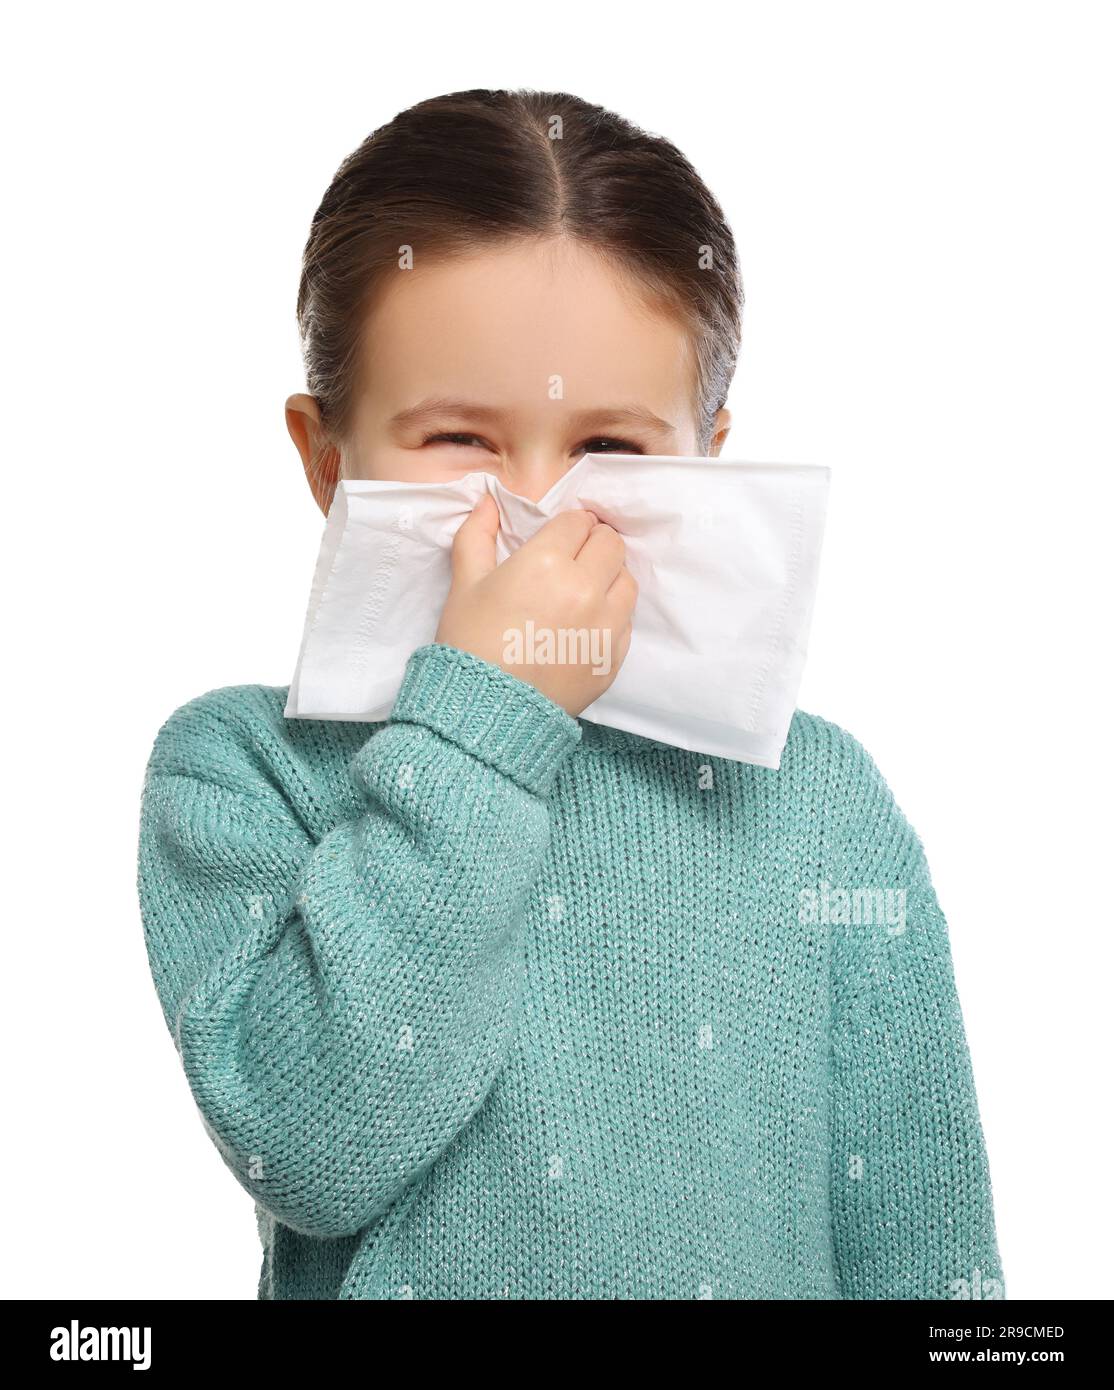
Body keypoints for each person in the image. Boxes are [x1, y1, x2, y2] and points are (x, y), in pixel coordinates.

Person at [136, 87, 1004, 1300]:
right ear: (326, 461)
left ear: (708, 457)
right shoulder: (236, 769)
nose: (537, 508)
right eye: (459, 439)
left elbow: (923, 1243)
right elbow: (312, 1144)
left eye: (612, 449)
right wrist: (483, 721)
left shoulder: (819, 800)